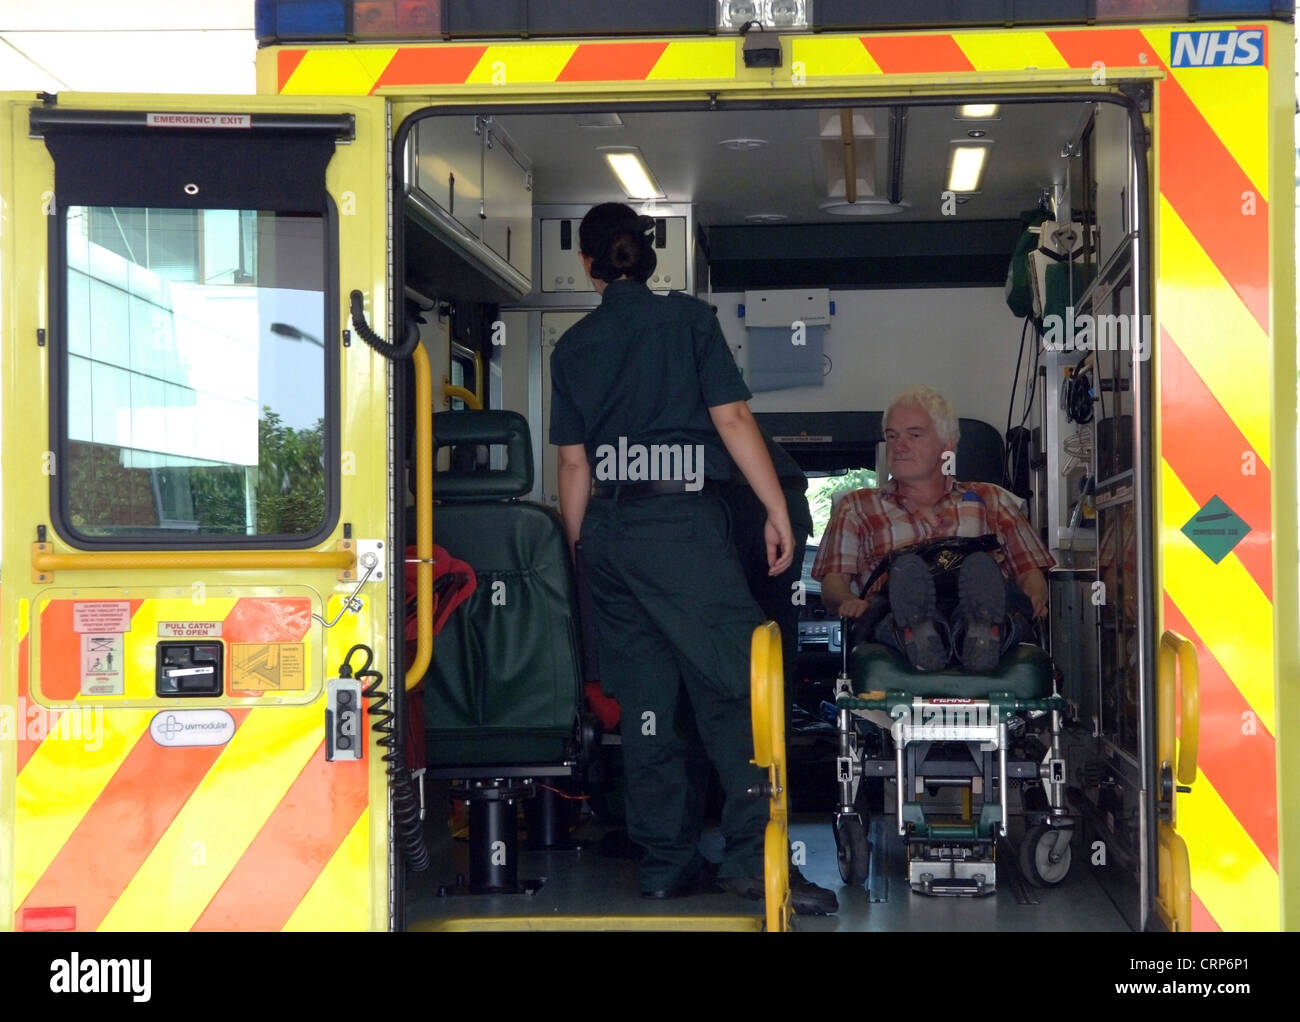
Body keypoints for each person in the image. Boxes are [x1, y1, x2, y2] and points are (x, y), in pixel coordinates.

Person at [550, 202, 836, 914]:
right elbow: (733, 419)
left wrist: (580, 555)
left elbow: (573, 466)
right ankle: (750, 858)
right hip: (678, 524)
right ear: (648, 259)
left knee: (647, 705)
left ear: (587, 264)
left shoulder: (574, 345)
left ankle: (665, 864)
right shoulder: (689, 322)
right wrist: (776, 509)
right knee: (742, 685)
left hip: (610, 534)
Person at [813, 386, 1053, 672]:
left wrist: (1035, 597)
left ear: (947, 446)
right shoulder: (857, 507)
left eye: (914, 435)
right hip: (895, 617)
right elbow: (833, 584)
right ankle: (919, 634)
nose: (898, 445)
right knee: (893, 606)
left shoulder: (992, 499)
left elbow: (1030, 573)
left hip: (980, 609)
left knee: (991, 598)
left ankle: (976, 635)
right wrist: (848, 601)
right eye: (892, 436)